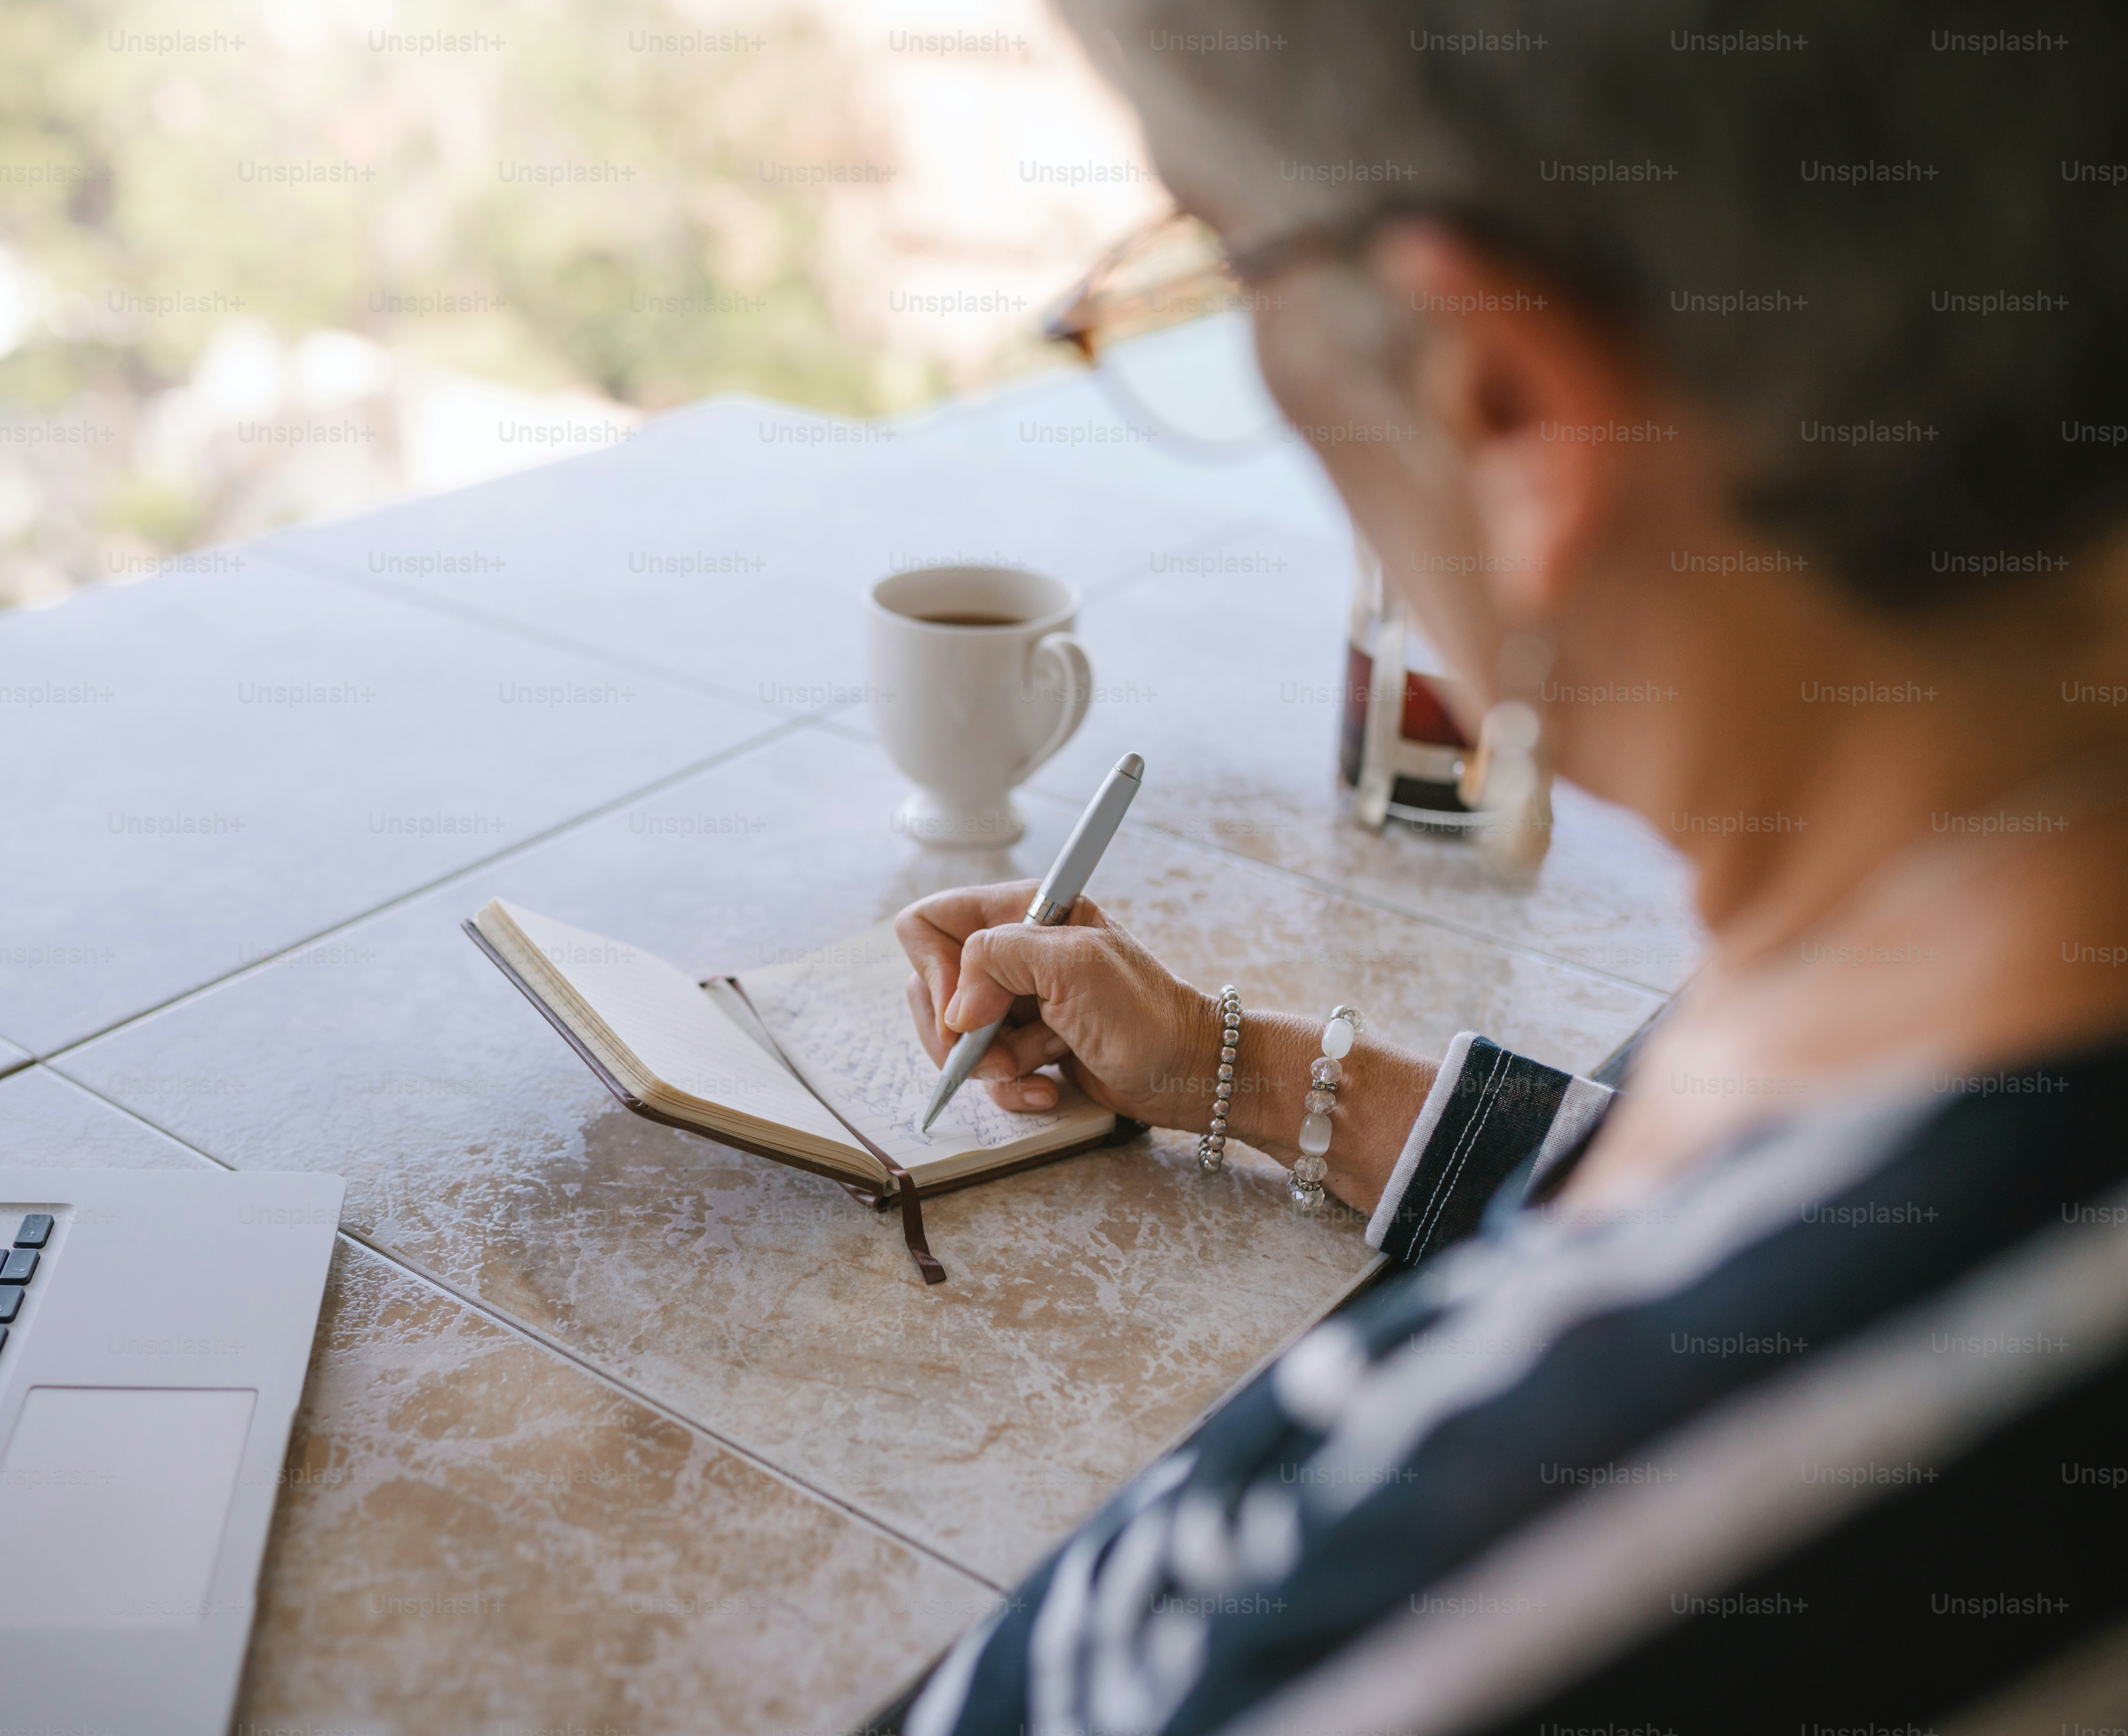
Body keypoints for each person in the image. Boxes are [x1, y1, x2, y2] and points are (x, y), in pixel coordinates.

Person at [871, 4, 2128, 1731]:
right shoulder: (1979, 916)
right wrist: (1231, 1066)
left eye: (1230, 267)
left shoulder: (1489, 1603)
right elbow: (1735, 1209)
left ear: (1506, 403)